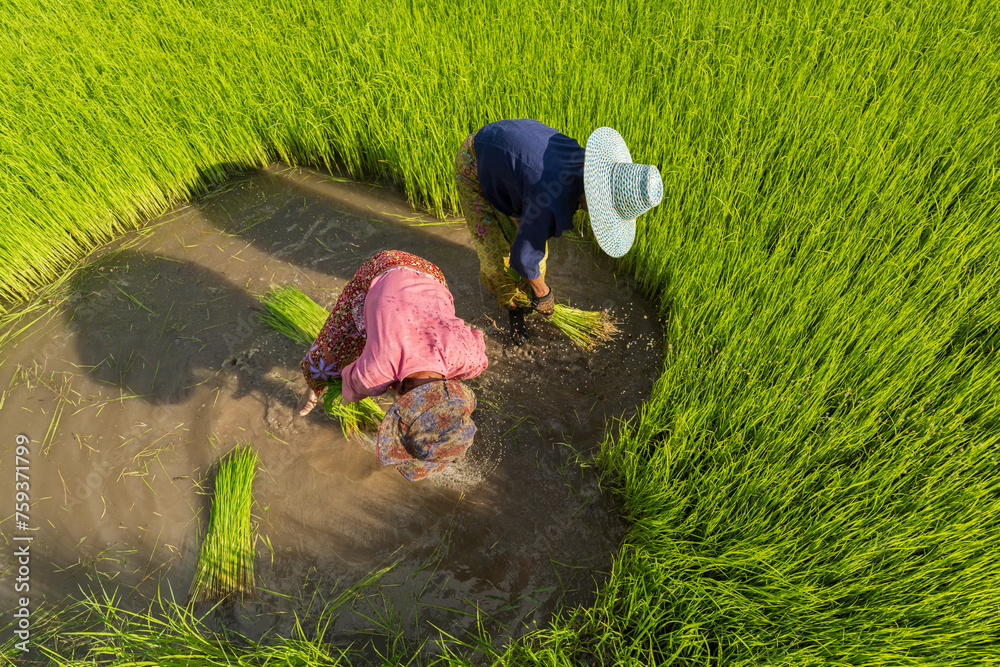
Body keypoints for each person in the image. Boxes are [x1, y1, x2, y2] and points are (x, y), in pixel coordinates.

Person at [454, 118, 664, 343]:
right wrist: (544, 293)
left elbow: (531, 243)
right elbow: (523, 259)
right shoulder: (551, 199)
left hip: (510, 160)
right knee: (497, 263)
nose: (589, 213)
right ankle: (515, 315)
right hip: (475, 161)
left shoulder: (583, 162)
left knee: (534, 255)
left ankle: (521, 301)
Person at [297, 250, 487, 481]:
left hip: (432, 275)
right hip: (385, 266)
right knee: (325, 362)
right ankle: (312, 387)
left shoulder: (469, 357)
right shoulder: (374, 373)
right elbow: (349, 388)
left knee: (384, 331)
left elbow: (478, 338)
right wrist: (320, 383)